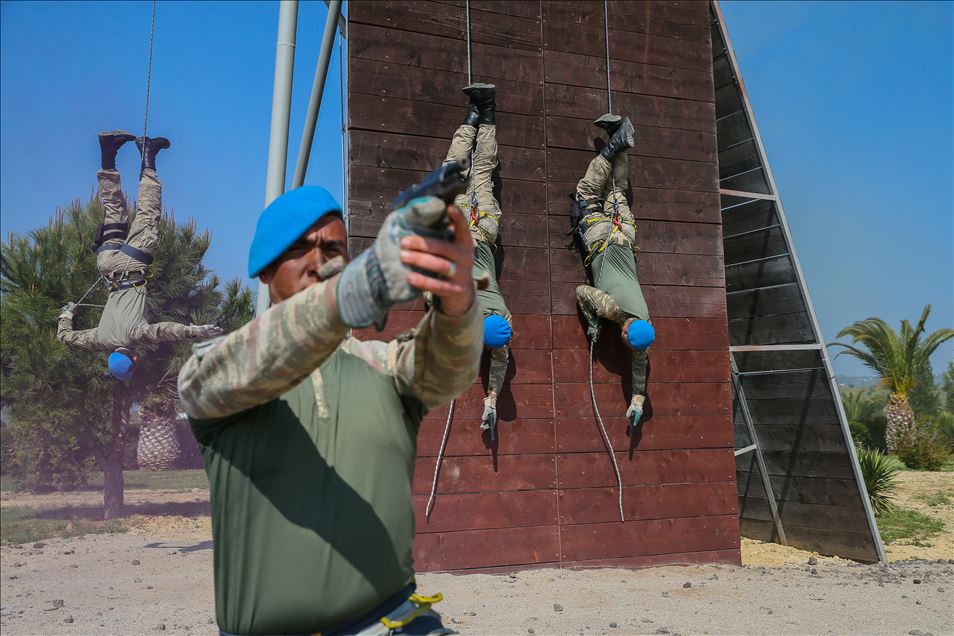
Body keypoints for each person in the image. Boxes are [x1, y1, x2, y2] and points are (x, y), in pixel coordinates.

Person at [177, 185, 481, 636]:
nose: (320, 261)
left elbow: (448, 368)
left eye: (334, 248)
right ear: (264, 269)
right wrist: (357, 288)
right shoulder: (218, 367)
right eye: (300, 247)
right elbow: (254, 359)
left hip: (397, 622)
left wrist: (456, 296)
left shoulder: (385, 366)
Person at [57, 130, 221, 380]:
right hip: (107, 264)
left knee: (148, 212)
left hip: (132, 264)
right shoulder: (100, 339)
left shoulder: (135, 335)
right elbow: (65, 337)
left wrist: (194, 330)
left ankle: (148, 154)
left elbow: (164, 330)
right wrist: (67, 314)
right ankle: (108, 152)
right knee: (114, 211)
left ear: (133, 358)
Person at [570, 114, 655, 430]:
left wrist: (638, 399)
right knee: (587, 192)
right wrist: (594, 322)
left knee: (617, 190)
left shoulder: (644, 320)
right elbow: (581, 293)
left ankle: (621, 136)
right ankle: (615, 144)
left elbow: (640, 362)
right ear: (624, 332)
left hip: (625, 234)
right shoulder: (611, 309)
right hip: (600, 237)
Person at [440, 83, 512, 435]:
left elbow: (501, 354)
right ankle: (473, 114)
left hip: (485, 229)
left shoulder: (501, 315)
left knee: (481, 173)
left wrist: (492, 401)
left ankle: (487, 110)